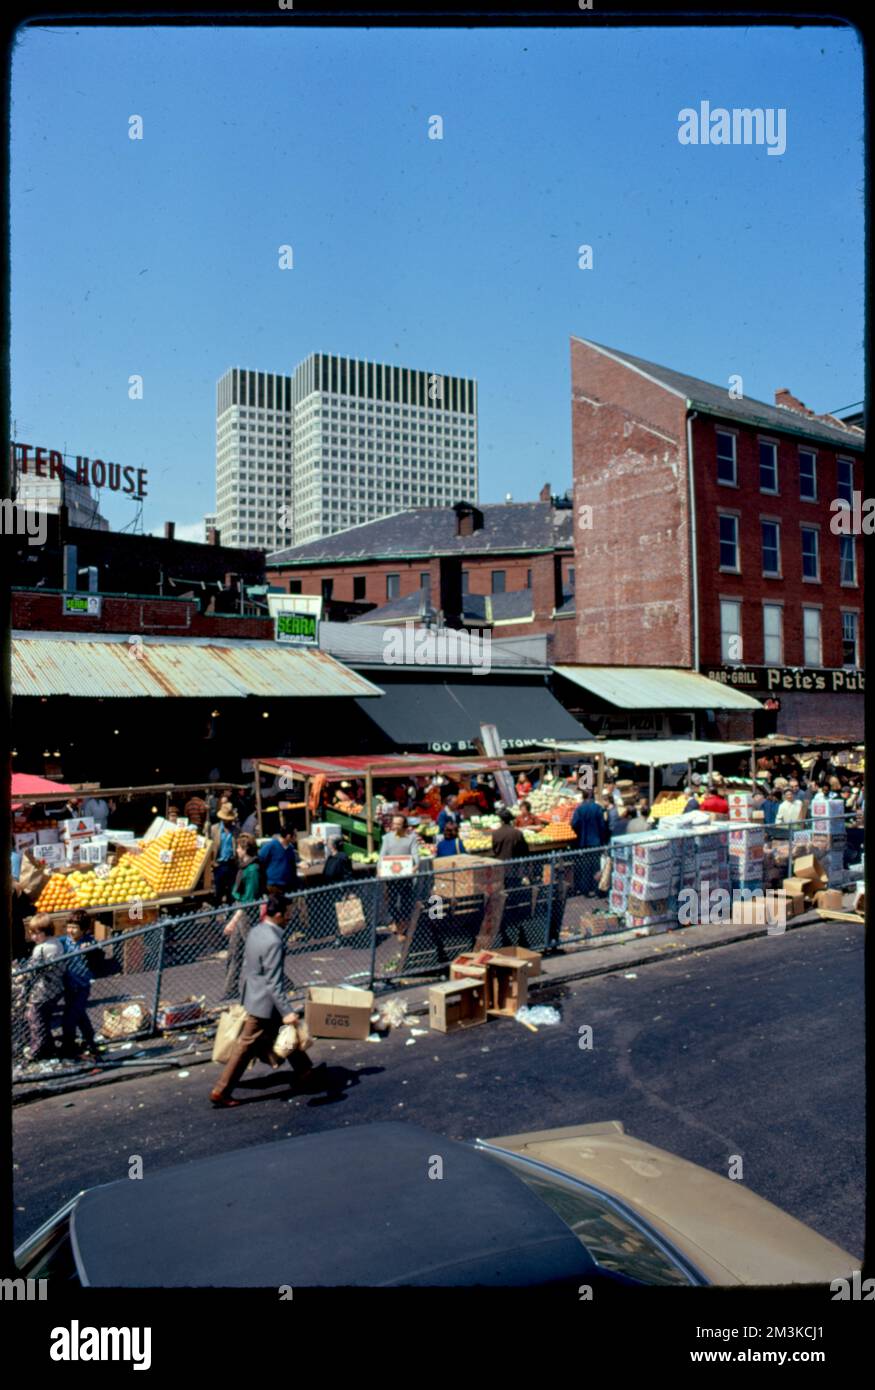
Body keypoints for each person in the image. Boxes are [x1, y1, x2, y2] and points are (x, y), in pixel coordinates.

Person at [210, 895, 313, 1108]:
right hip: (265, 1002)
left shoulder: (256, 931)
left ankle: (306, 1072)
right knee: (246, 1046)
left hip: (253, 994)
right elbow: (274, 981)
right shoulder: (275, 941)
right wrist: (287, 1010)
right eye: (287, 914)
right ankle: (221, 1089)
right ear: (277, 915)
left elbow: (251, 967)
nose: (289, 918)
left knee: (286, 1034)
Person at [222, 836, 264, 999]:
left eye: (239, 847)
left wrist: (233, 921)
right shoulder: (244, 866)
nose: (237, 850)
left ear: (245, 849)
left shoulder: (253, 870)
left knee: (254, 951)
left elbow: (248, 899)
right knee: (234, 951)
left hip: (246, 913)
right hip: (240, 909)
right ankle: (230, 988)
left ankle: (280, 980)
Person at [22, 917, 67, 1061]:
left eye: (36, 933)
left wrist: (19, 976)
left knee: (34, 1017)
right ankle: (49, 1047)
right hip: (56, 988)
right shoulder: (57, 942)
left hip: (43, 990)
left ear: (45, 932)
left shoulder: (40, 949)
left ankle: (36, 1049)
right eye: (31, 933)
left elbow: (31, 971)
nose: (33, 937)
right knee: (44, 1018)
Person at [60, 914, 98, 1058]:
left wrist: (90, 948)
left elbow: (96, 949)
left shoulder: (88, 941)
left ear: (83, 930)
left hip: (82, 985)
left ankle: (69, 1044)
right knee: (79, 1013)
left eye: (74, 928)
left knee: (70, 1016)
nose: (70, 930)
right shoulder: (63, 941)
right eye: (69, 927)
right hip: (68, 986)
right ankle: (90, 1040)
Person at [378, 814, 420, 936]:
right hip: (391, 876)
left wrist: (416, 865)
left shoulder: (411, 838)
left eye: (398, 824)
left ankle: (404, 923)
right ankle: (397, 921)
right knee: (391, 901)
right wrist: (379, 868)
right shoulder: (386, 838)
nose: (395, 826)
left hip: (405, 876)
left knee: (405, 901)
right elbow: (382, 855)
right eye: (394, 823)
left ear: (404, 826)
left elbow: (415, 854)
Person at [570, 791, 607, 895]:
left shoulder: (579, 809)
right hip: (596, 842)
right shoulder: (598, 808)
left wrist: (580, 833)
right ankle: (596, 889)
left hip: (583, 842)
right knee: (596, 866)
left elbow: (574, 824)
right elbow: (603, 826)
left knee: (585, 866)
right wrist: (603, 838)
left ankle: (585, 890)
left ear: (583, 797)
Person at [210, 805, 239, 904]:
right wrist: (212, 862)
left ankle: (230, 913)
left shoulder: (235, 830)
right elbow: (209, 846)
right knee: (218, 892)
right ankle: (215, 914)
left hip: (231, 864)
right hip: (219, 864)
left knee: (231, 892)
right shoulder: (214, 829)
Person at [258, 827, 298, 896]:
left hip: (286, 884)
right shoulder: (271, 846)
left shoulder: (290, 849)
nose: (296, 837)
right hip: (273, 885)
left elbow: (292, 865)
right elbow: (260, 859)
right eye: (295, 835)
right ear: (288, 836)